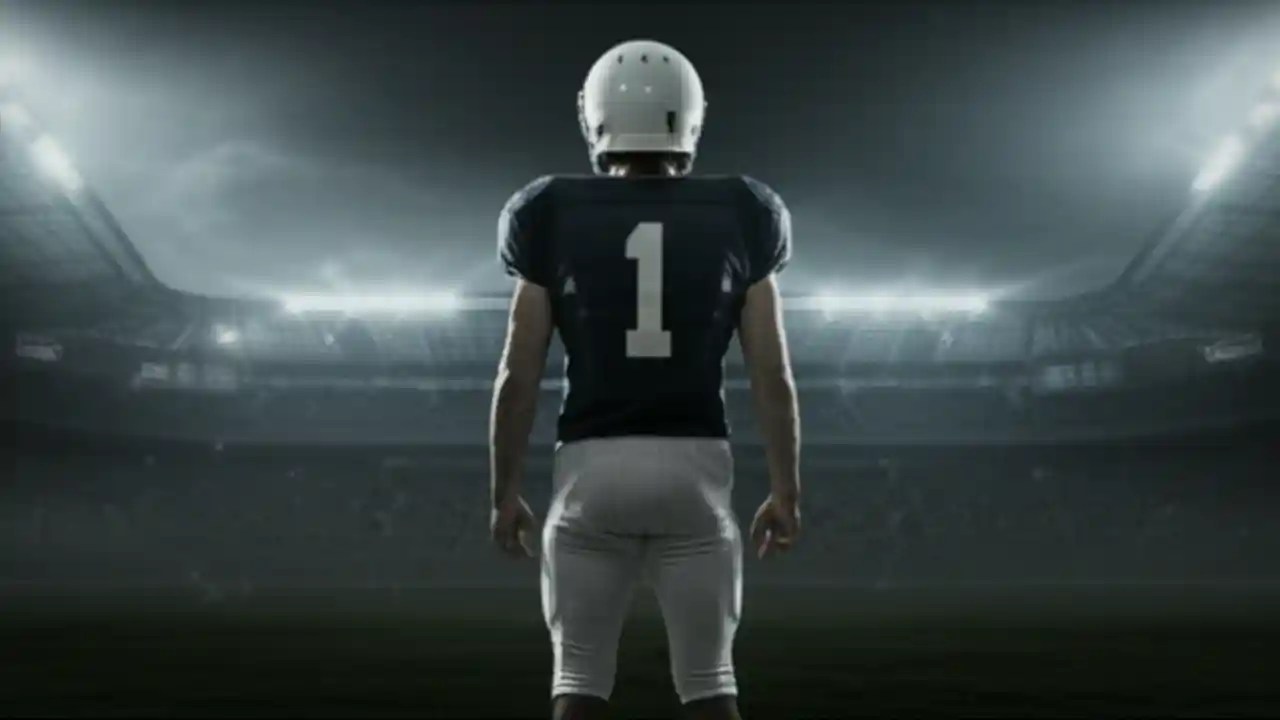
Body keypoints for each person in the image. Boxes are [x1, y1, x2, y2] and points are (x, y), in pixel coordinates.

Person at [488, 39, 801, 720]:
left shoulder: (549, 209)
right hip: (696, 470)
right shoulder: (743, 209)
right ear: (690, 116)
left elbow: (519, 372)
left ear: (594, 116)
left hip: (592, 470)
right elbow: (771, 372)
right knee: (712, 685)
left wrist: (504, 491)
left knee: (577, 682)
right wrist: (786, 489)